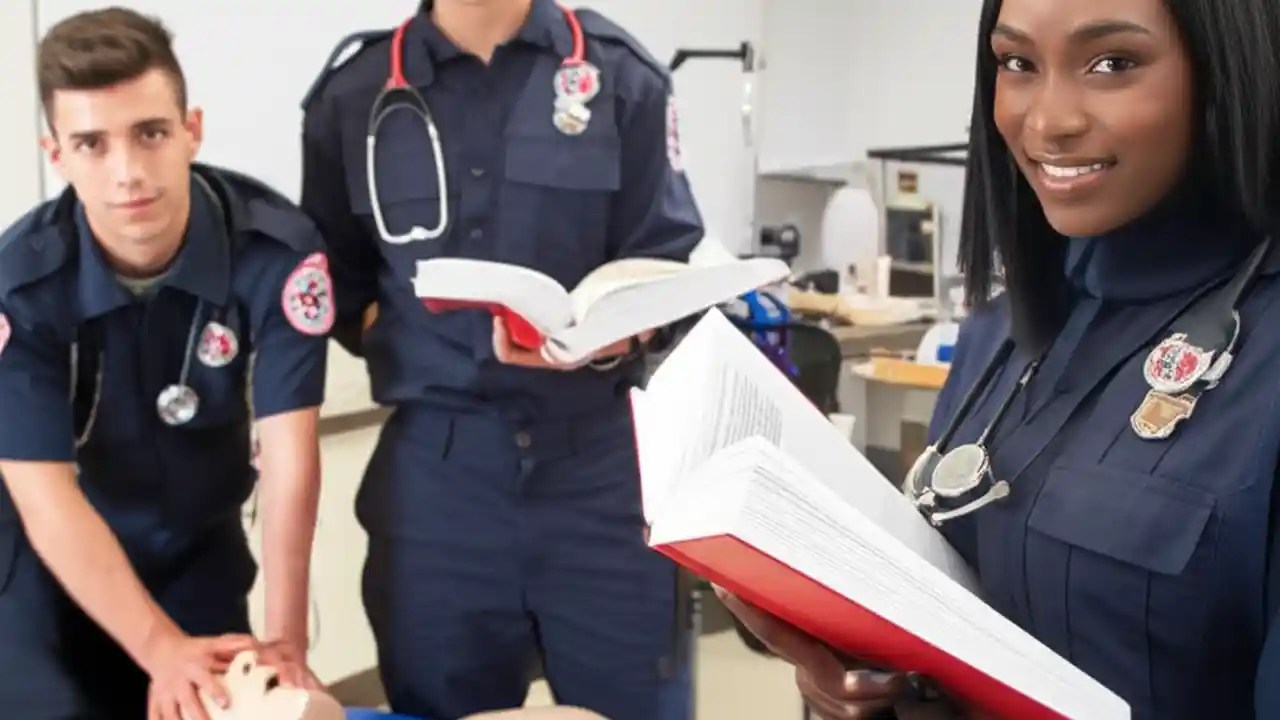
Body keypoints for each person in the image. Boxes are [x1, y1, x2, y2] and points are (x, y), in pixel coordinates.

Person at [721, 0, 1280, 718]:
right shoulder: (998, 337)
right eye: (1018, 63)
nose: (1046, 121)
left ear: (1230, 70)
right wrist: (868, 687)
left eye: (1112, 63)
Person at [298, 1, 704, 718]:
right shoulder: (353, 94)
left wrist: (613, 335)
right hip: (439, 480)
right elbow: (338, 283)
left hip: (600, 468)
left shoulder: (621, 77)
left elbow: (665, 265)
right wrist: (422, 345)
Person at [0, 8, 332, 720]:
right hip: (43, 552)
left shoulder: (276, 251)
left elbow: (289, 458)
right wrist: (157, 648)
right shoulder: (18, 285)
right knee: (53, 704)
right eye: (92, 144)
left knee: (220, 702)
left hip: (195, 536)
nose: (128, 173)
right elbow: (43, 495)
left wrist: (285, 644)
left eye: (150, 133)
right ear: (56, 155)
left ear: (191, 130)